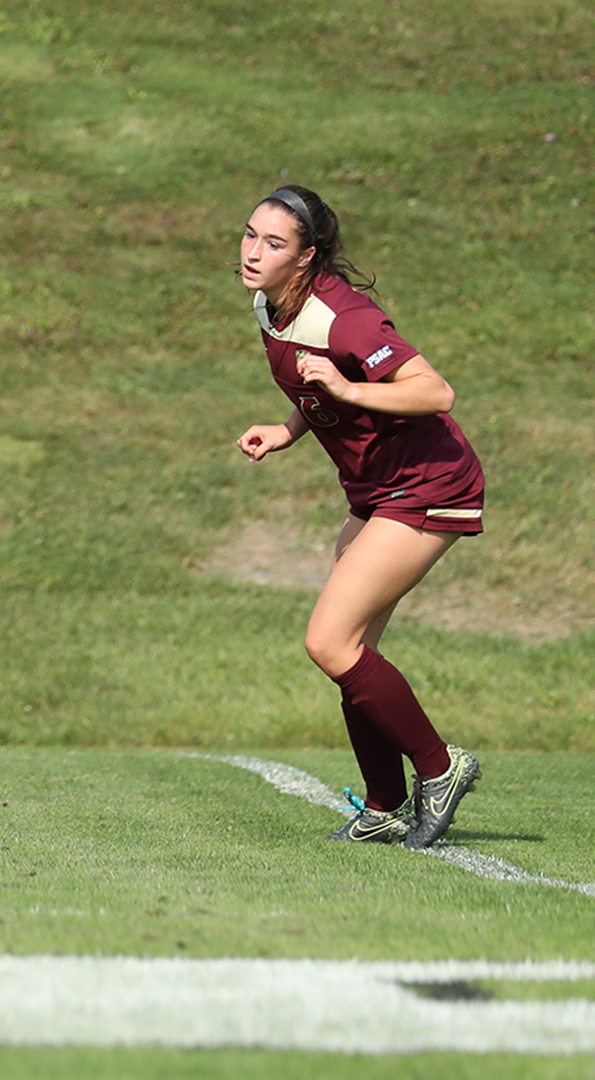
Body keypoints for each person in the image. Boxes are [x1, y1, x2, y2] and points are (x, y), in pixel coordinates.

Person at [234, 184, 483, 849]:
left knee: (330, 641)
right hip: (375, 492)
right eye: (250, 234)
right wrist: (288, 430)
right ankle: (385, 805)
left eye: (274, 243)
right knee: (352, 652)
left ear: (307, 256)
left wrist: (347, 386)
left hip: (427, 483)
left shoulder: (344, 318)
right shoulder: (270, 306)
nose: (253, 251)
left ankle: (441, 767)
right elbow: (315, 384)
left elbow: (435, 391)